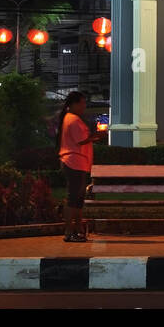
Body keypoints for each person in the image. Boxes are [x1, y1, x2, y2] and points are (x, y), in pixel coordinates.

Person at [57, 91, 97, 243]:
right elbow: (81, 140)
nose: (84, 106)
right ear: (74, 104)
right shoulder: (73, 119)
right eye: (82, 103)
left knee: (78, 198)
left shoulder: (71, 118)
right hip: (74, 161)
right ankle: (69, 232)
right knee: (73, 198)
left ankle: (78, 229)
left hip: (78, 162)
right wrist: (96, 136)